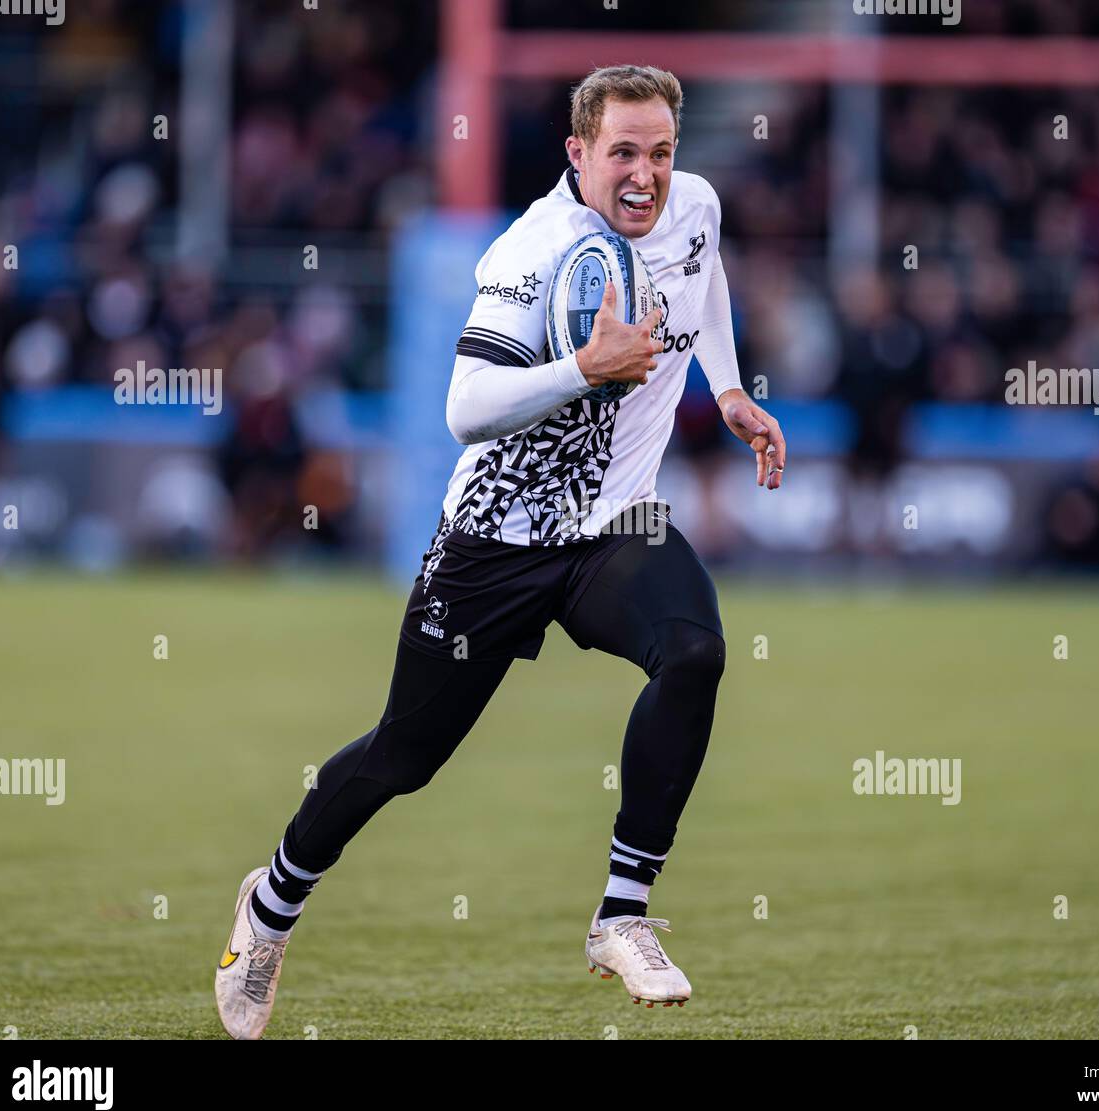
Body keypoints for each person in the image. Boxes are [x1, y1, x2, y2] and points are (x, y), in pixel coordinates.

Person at [215, 64, 786, 1039]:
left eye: (659, 151)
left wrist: (726, 387)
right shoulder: (536, 250)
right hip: (497, 541)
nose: (644, 174)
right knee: (404, 754)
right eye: (622, 154)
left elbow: (707, 266)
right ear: (577, 154)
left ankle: (622, 912)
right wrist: (582, 367)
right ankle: (269, 904)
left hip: (614, 521)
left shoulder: (693, 205)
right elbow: (463, 407)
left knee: (694, 650)